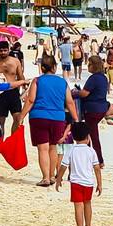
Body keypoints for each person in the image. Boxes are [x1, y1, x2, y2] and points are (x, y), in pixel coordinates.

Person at [21, 54, 79, 188]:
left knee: (43, 148)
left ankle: (45, 178)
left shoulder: (37, 81)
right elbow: (70, 102)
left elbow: (30, 100)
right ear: (54, 67)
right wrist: (76, 119)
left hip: (38, 117)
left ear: (41, 68)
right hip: (58, 118)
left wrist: (21, 116)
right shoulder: (63, 82)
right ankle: (52, 176)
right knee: (53, 147)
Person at [54, 121, 102, 226]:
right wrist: (100, 184)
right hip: (89, 183)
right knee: (87, 204)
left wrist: (58, 179)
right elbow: (97, 168)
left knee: (78, 206)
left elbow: (63, 166)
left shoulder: (71, 150)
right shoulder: (91, 151)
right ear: (88, 137)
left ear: (74, 137)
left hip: (76, 183)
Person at [73, 54, 111, 164]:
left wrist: (74, 93)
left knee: (89, 135)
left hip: (92, 110)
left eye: (89, 64)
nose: (88, 66)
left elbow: (85, 93)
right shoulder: (103, 77)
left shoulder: (94, 78)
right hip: (101, 108)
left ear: (93, 65)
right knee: (92, 133)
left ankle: (95, 159)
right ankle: (96, 159)